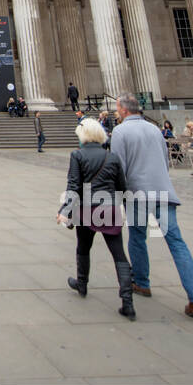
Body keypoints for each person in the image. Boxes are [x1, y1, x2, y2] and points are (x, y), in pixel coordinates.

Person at [112, 94, 193, 319]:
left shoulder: (120, 132)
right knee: (177, 243)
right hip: (163, 192)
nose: (116, 112)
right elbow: (165, 161)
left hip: (137, 193)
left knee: (137, 237)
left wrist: (118, 196)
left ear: (124, 110)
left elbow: (118, 168)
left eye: (117, 109)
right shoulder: (155, 130)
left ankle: (142, 283)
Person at [57, 117, 134, 320]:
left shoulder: (77, 155)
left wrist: (65, 210)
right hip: (108, 207)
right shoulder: (113, 157)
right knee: (119, 254)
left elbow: (73, 185)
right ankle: (128, 301)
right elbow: (122, 188)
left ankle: (82, 284)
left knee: (83, 248)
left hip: (86, 208)